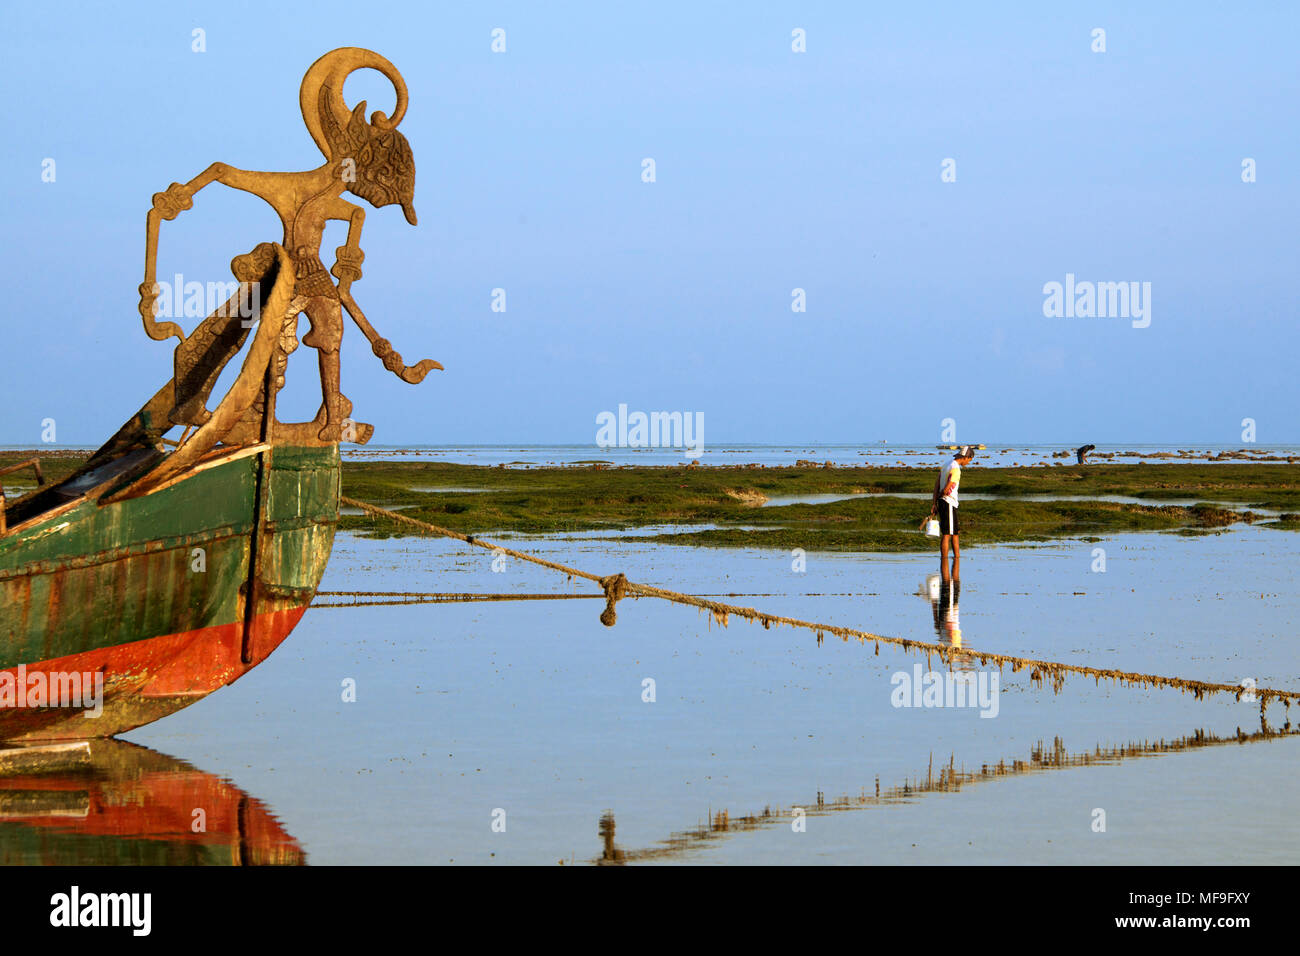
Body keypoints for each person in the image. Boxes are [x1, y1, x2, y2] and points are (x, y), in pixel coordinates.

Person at [930, 445, 974, 580]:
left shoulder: (946, 464)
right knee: (947, 534)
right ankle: (945, 565)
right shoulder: (956, 469)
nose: (969, 462)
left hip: (947, 502)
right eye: (970, 460)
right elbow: (947, 488)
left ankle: (956, 562)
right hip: (948, 501)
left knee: (955, 533)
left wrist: (934, 502)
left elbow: (937, 483)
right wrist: (940, 498)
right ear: (965, 457)